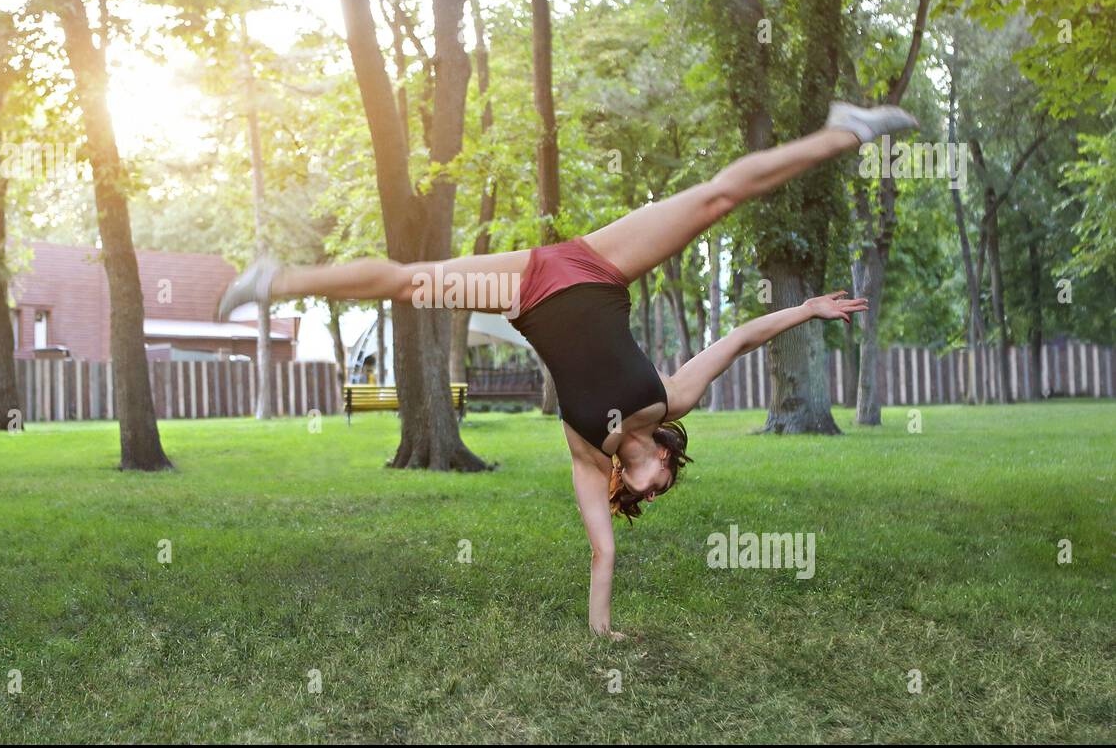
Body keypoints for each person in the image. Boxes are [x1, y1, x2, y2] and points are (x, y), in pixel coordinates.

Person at [219, 101, 918, 639]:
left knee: (409, 285)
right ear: (668, 459)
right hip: (596, 264)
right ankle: (279, 277)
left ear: (626, 485)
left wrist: (604, 629)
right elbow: (738, 338)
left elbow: (602, 558)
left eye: (650, 493)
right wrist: (809, 310)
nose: (660, 484)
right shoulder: (670, 400)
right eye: (667, 481)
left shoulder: (589, 458)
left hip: (524, 288)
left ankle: (273, 282)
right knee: (715, 197)